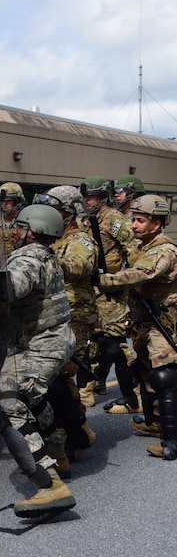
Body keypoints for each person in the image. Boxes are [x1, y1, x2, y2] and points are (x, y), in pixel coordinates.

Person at [0, 204, 78, 517]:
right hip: (45, 340)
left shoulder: (27, 256)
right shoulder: (43, 254)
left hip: (42, 343)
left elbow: (14, 285)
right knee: (32, 396)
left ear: (33, 230)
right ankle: (56, 450)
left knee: (6, 401)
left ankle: (50, 485)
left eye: (19, 226)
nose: (13, 231)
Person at [97, 195, 177, 458]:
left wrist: (105, 280)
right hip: (145, 323)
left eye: (141, 220)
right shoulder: (142, 246)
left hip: (164, 324)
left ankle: (172, 441)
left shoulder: (163, 250)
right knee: (144, 372)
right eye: (133, 219)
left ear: (157, 223)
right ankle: (154, 423)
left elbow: (142, 273)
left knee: (164, 378)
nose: (134, 225)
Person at [33, 186, 98, 468]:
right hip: (53, 318)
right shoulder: (54, 239)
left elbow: (77, 267)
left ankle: (74, 438)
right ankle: (77, 430)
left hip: (76, 319)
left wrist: (39, 258)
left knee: (59, 378)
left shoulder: (80, 240)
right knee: (58, 381)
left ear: (69, 212)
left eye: (55, 209)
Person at [80, 176, 139, 413]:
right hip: (90, 287)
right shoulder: (84, 219)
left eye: (92, 196)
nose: (87, 200)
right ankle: (87, 391)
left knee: (115, 345)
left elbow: (133, 248)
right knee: (91, 340)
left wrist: (123, 278)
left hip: (110, 290)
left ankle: (134, 394)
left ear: (103, 197)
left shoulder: (114, 220)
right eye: (85, 196)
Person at [0, 181, 26, 256]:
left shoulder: (24, 224)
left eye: (8, 200)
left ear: (17, 202)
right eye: (2, 200)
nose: (4, 203)